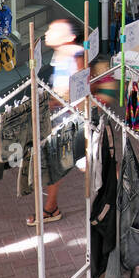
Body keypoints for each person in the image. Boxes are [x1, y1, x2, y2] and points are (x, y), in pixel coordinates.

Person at [31, 17, 86, 227]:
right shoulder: (60, 55)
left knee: (89, 161)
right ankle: (50, 207)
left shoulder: (75, 53)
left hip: (74, 118)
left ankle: (125, 191)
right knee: (61, 161)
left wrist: (58, 100)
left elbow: (81, 83)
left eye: (55, 29)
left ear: (70, 37)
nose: (48, 32)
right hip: (64, 116)